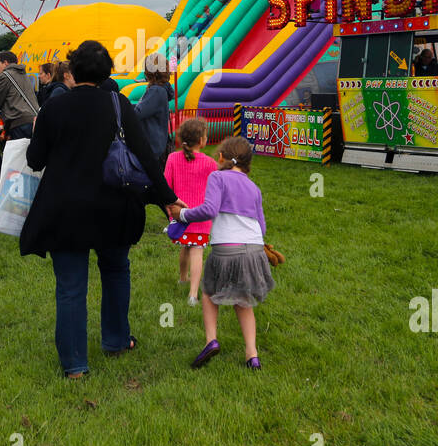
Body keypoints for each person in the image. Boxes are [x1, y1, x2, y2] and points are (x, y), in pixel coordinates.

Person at [19, 40, 182, 379]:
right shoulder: (119, 104)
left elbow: (35, 159)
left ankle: (75, 365)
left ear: (72, 71)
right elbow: (146, 157)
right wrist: (168, 197)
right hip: (114, 204)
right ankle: (117, 340)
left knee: (71, 286)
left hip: (65, 208)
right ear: (108, 71)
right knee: (116, 270)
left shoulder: (55, 107)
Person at [171, 135, 274, 370]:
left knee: (208, 292)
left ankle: (211, 341)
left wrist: (183, 215)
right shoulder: (254, 187)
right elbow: (263, 226)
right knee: (243, 299)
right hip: (255, 250)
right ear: (248, 162)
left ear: (220, 157)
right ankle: (252, 355)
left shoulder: (217, 177)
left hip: (227, 249)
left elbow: (210, 209)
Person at [163, 118, 216, 307]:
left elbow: (165, 186)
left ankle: (183, 278)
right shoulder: (210, 163)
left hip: (179, 216)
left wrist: (171, 213)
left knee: (186, 246)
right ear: (202, 140)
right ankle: (193, 294)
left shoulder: (172, 158)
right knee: (196, 251)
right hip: (201, 217)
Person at [0, 50, 38, 140]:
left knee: (17, 153)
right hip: (33, 120)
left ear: (6, 63)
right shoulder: (23, 75)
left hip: (19, 122)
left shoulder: (5, 76)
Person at [135, 53, 172, 168]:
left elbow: (138, 113)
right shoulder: (161, 89)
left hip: (152, 147)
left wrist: (124, 105)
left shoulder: (156, 91)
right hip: (158, 145)